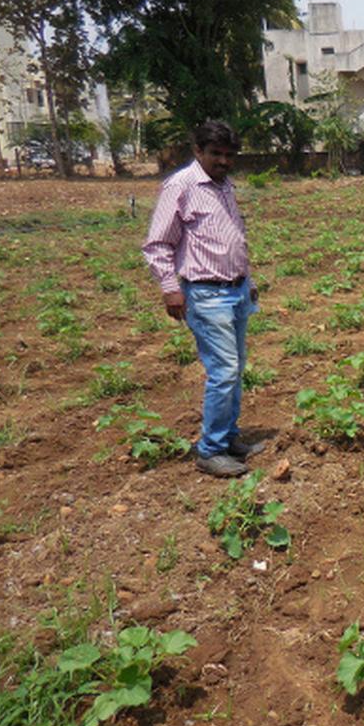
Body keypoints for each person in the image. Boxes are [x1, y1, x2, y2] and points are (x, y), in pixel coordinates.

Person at [142, 121, 263, 477]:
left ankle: (228, 439)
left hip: (236, 289)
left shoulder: (224, 186)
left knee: (235, 368)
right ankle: (209, 450)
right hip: (206, 293)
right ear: (198, 151)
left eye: (229, 155)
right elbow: (158, 244)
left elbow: (230, 237)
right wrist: (169, 287)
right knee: (223, 371)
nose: (223, 161)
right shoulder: (181, 186)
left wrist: (248, 280)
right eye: (216, 154)